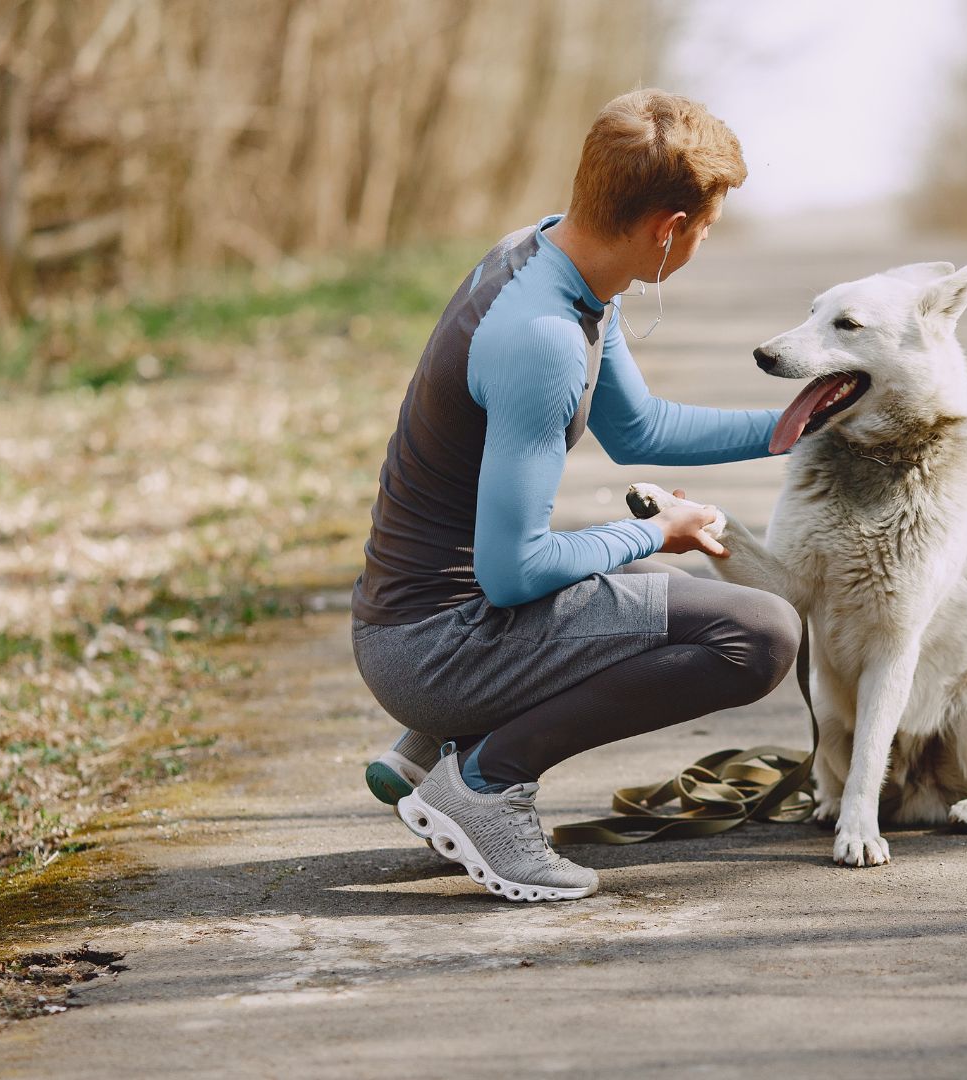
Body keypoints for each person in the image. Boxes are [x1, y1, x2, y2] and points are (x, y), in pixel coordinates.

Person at [347, 89, 801, 903]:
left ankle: (427, 749)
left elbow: (641, 430)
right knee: (757, 633)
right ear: (668, 227)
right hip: (433, 645)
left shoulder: (552, 258)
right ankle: (484, 782)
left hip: (412, 619)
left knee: (669, 597)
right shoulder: (545, 341)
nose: (703, 241)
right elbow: (514, 573)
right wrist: (655, 531)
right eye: (706, 227)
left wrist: (791, 426)